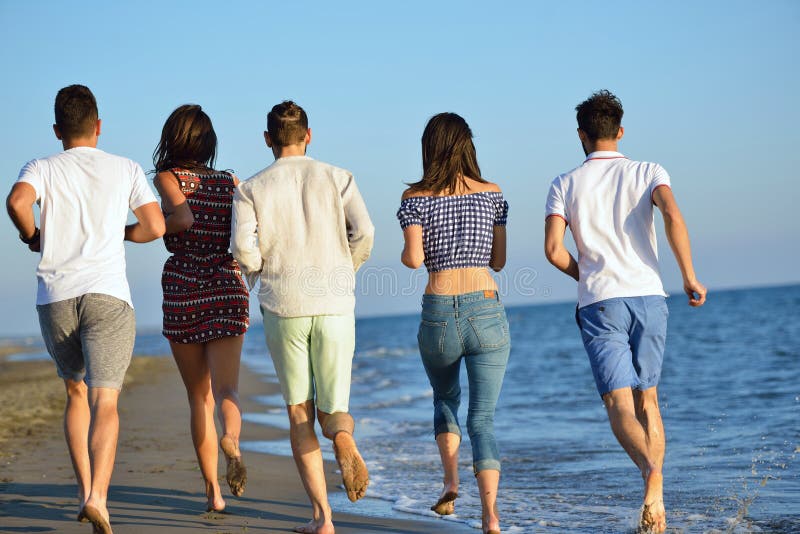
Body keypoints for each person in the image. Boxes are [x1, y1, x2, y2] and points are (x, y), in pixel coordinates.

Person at [544, 89, 707, 533]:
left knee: (618, 402)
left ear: (581, 135)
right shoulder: (650, 171)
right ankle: (658, 501)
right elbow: (673, 215)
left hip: (599, 301)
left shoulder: (564, 184)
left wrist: (587, 274)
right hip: (651, 296)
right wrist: (689, 276)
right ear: (619, 131)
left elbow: (553, 250)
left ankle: (649, 472)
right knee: (648, 398)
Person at [5, 84, 165, 534]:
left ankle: (83, 491)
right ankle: (99, 497)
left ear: (58, 130)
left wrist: (31, 236)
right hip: (108, 295)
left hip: (56, 295)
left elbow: (17, 202)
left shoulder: (42, 166)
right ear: (98, 126)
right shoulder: (126, 168)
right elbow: (155, 225)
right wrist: (121, 234)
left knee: (75, 392)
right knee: (105, 400)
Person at [231, 100, 373, 534]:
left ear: (268, 139)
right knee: (336, 407)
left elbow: (242, 249)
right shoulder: (338, 176)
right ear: (308, 135)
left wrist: (259, 270)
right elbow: (364, 232)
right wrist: (344, 270)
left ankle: (322, 519)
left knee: (298, 413)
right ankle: (344, 440)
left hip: (283, 304)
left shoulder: (250, 188)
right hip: (333, 302)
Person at [397, 112, 510, 534]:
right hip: (485, 307)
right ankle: (491, 516)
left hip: (440, 309)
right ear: (468, 146)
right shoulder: (493, 194)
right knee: (484, 420)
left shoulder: (415, 197)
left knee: (445, 400)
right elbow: (498, 261)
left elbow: (413, 260)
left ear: (430, 148)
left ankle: (450, 481)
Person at [152, 104, 250, 512]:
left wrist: (160, 223)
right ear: (208, 142)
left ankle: (213, 494)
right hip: (226, 285)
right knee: (227, 390)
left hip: (185, 290)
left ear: (172, 139)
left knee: (199, 397)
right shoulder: (230, 181)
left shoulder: (167, 177)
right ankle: (232, 438)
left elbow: (183, 218)